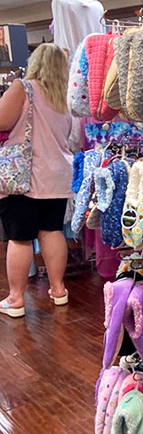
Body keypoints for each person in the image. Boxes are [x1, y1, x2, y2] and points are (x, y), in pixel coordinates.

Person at [0, 44, 76, 317]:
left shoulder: (23, 88)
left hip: (26, 175)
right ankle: (58, 290)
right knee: (52, 230)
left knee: (19, 238)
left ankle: (16, 298)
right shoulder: (63, 97)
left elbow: (2, 120)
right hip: (57, 174)